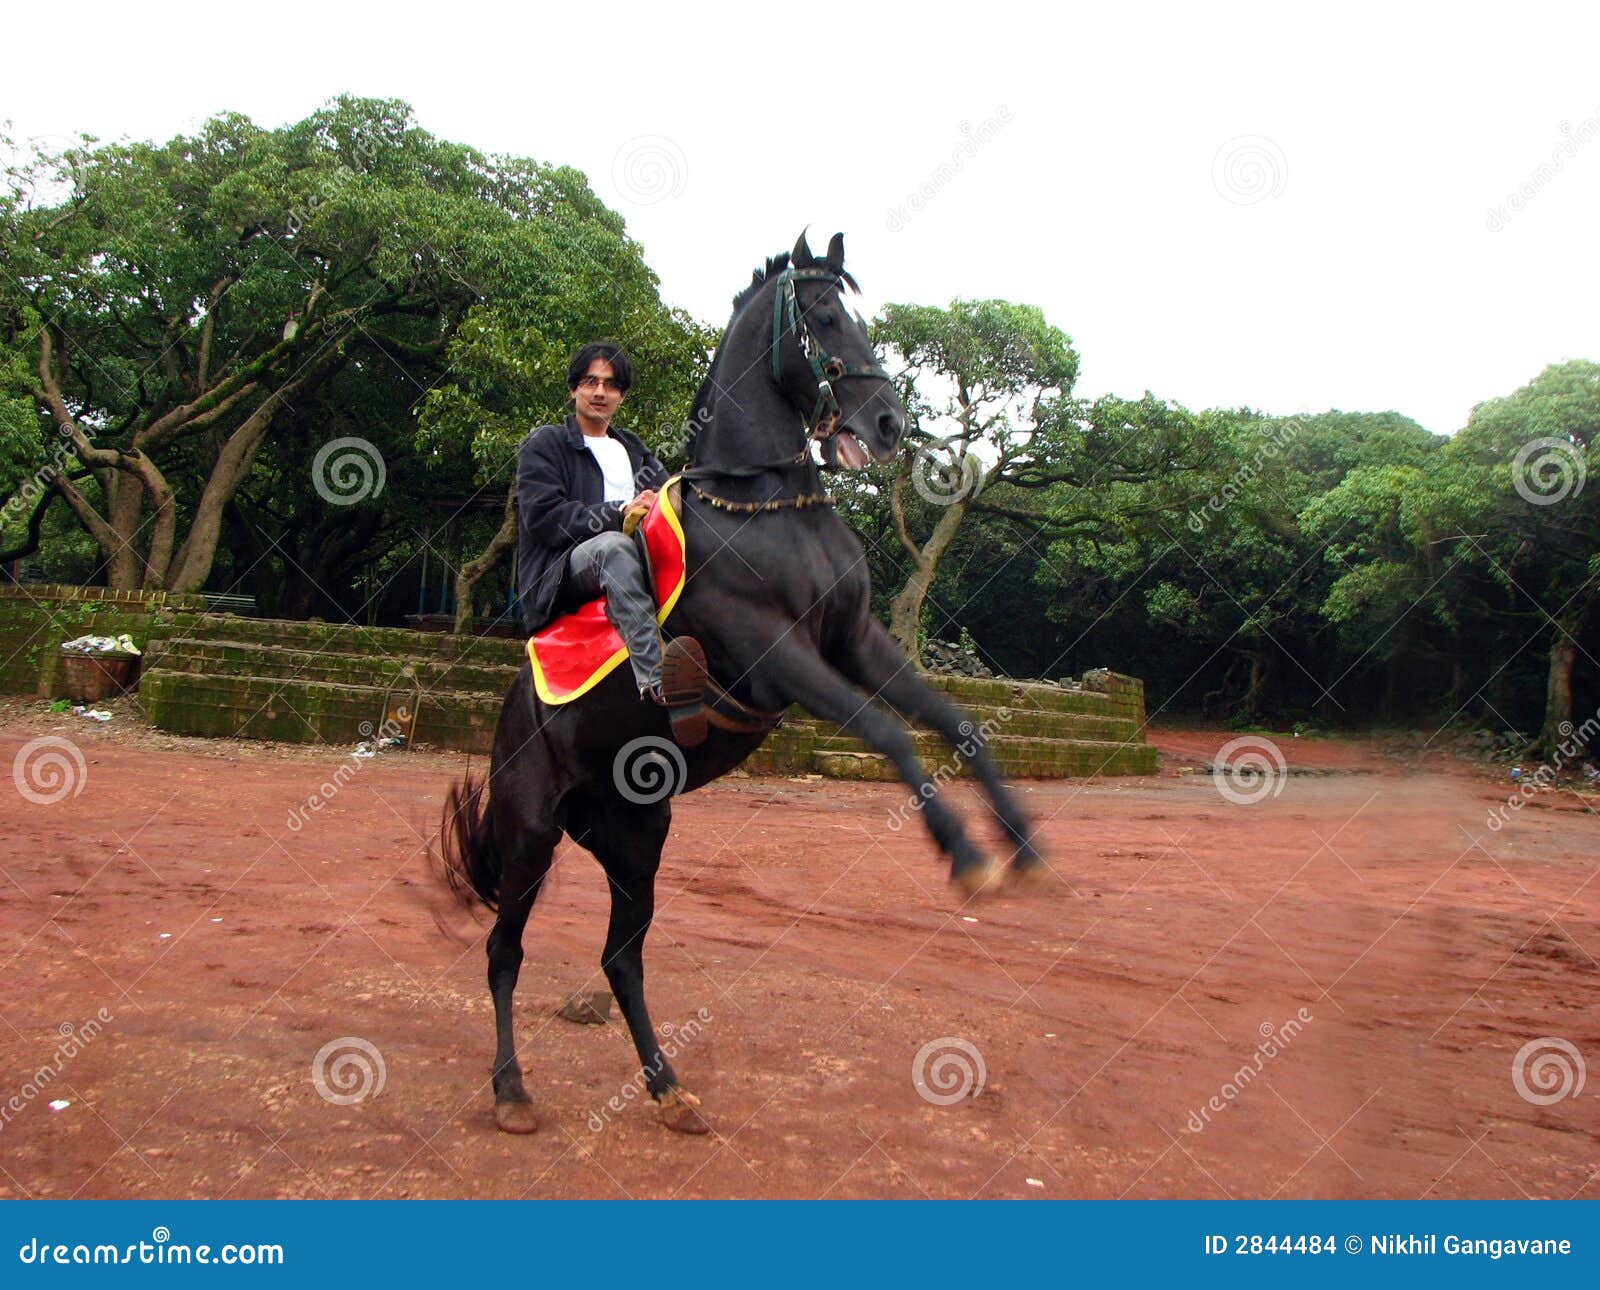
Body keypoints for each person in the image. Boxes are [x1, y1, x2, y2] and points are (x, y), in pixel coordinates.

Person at [515, 341, 706, 744]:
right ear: (574, 389)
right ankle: (657, 684)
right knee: (613, 548)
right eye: (590, 382)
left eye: (611, 384)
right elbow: (545, 518)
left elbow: (673, 498)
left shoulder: (634, 449)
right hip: (563, 571)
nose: (600, 392)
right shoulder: (545, 444)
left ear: (621, 395)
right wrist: (619, 512)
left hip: (638, 565)